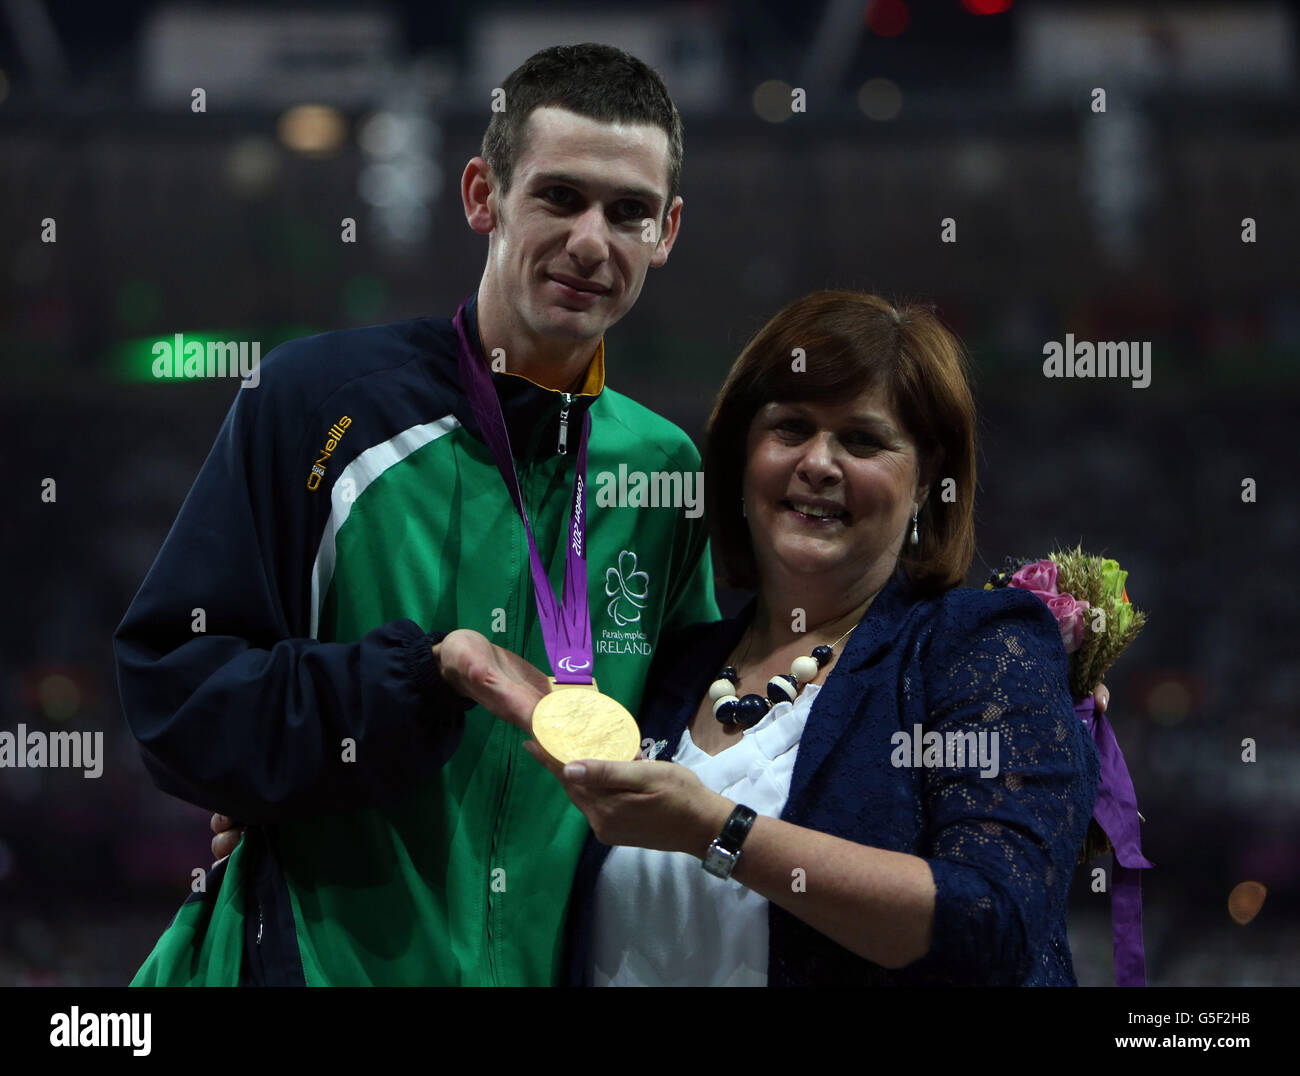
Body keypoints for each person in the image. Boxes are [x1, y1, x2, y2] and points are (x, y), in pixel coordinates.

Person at [114, 43, 719, 986]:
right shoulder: (321, 405)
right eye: (559, 197)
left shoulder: (665, 472)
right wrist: (417, 679)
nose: (594, 241)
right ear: (484, 195)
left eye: (629, 211)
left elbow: (688, 751)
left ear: (668, 231)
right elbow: (175, 692)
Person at [440, 291, 1103, 986]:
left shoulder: (976, 652)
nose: (819, 462)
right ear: (742, 457)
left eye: (863, 440)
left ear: (926, 478)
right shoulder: (673, 670)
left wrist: (719, 830)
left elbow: (992, 922)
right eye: (790, 428)